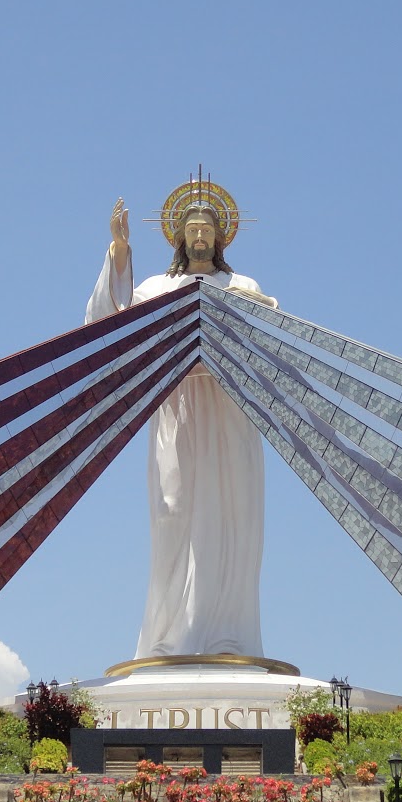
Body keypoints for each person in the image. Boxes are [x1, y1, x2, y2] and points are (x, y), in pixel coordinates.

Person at [84, 186, 277, 659]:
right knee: (173, 513)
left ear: (220, 237)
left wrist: (267, 313)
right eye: (191, 229)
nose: (199, 237)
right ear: (177, 236)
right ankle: (168, 637)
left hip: (229, 411)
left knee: (234, 515)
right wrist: (120, 252)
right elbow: (110, 325)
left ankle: (228, 637)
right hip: (176, 409)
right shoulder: (156, 288)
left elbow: (270, 335)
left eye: (207, 230)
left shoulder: (243, 287)